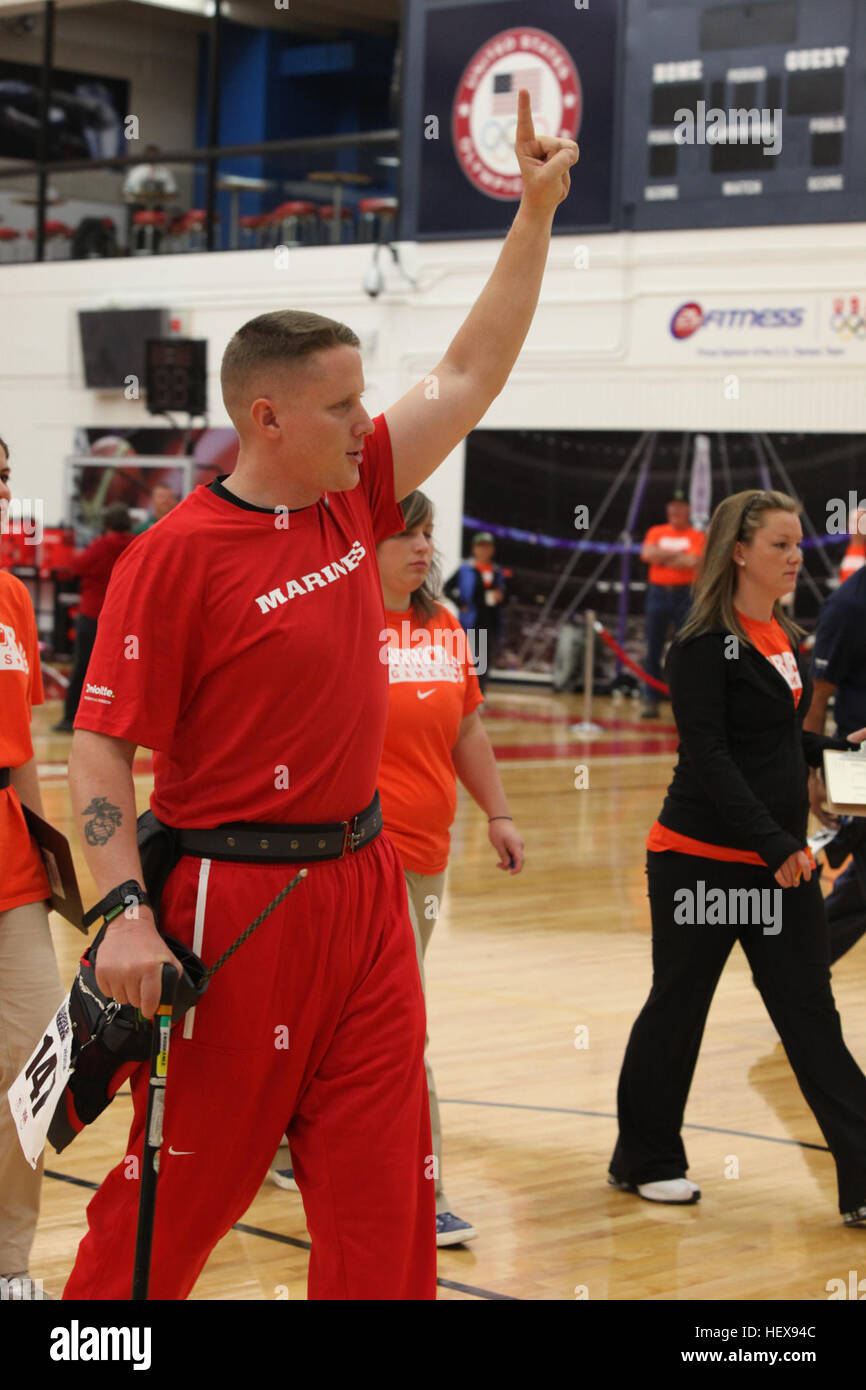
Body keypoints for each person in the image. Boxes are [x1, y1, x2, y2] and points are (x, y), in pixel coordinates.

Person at [61, 92, 578, 1301]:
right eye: (343, 403)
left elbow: (468, 369)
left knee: (384, 1183)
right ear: (268, 415)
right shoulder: (177, 554)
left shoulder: (352, 493)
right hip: (234, 900)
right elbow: (97, 751)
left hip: (362, 885)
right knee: (181, 1188)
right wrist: (121, 914)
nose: (368, 421)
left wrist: (535, 211)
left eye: (364, 400)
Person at [270, 492, 525, 1245]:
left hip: (423, 859)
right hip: (339, 861)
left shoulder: (443, 627)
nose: (420, 548)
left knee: (363, 1023)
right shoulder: (329, 624)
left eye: (426, 534)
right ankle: (424, 1192)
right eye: (401, 535)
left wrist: (499, 812)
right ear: (359, 545)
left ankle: (291, 1145)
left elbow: (467, 726)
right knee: (387, 1029)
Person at [609, 489, 866, 1226]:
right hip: (698, 863)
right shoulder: (700, 643)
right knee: (678, 1007)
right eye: (782, 545)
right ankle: (645, 1159)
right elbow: (712, 756)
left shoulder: (786, 635)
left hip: (777, 864)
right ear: (740, 552)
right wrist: (778, 842)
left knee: (812, 1018)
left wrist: (834, 751)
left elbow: (776, 739)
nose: (796, 557)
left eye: (799, 545)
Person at [0, 437, 64, 1298]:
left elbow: (24, 753)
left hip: (13, 870)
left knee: (34, 1063)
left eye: (5, 474)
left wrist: (58, 874)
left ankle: (10, 1260)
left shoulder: (13, 598)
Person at [805, 559, 866, 963]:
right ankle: (794, 972)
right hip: (859, 764)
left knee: (860, 890)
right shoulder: (850, 606)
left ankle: (793, 971)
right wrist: (811, 773)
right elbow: (818, 693)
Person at [52, 503, 135, 733]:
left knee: (83, 668)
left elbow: (76, 567)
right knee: (120, 671)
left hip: (92, 614)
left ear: (106, 524)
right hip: (122, 617)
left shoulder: (102, 545)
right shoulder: (136, 543)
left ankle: (71, 718)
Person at [639, 492, 705, 718]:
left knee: (687, 648)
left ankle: (687, 699)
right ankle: (650, 699)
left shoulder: (697, 535)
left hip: (685, 595)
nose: (675, 511)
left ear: (688, 510)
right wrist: (678, 556)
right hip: (658, 593)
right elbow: (647, 554)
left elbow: (693, 561)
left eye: (680, 507)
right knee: (653, 648)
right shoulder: (656, 531)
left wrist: (663, 556)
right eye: (672, 506)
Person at [444, 531, 507, 695]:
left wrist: (501, 596)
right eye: (481, 546)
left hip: (491, 621)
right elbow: (447, 588)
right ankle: (465, 694)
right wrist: (461, 604)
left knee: (484, 661)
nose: (484, 550)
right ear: (474, 548)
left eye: (487, 547)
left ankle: (479, 694)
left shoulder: (497, 571)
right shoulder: (466, 569)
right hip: (472, 621)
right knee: (470, 659)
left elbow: (505, 595)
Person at [122, 143, 178, 253]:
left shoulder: (165, 173)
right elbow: (127, 190)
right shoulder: (136, 171)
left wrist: (162, 194)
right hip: (138, 205)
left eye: (155, 155)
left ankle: (154, 249)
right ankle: (134, 249)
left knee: (162, 217)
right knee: (133, 218)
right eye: (150, 155)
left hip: (156, 205)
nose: (152, 158)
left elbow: (172, 191)